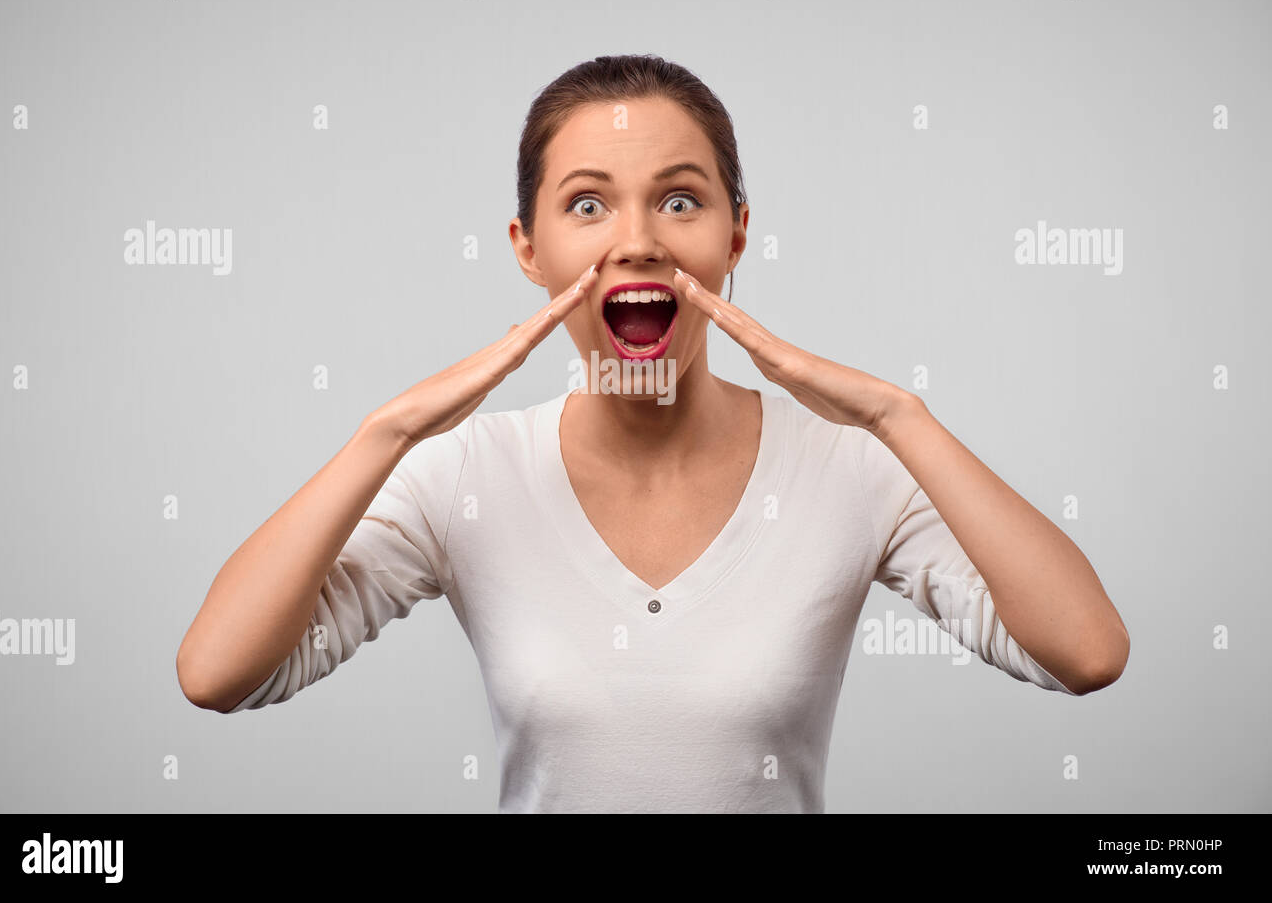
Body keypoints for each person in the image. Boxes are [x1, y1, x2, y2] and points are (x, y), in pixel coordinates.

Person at [176, 54, 1130, 813]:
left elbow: (1086, 651)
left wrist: (897, 415)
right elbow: (218, 672)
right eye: (587, 205)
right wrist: (383, 434)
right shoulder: (463, 474)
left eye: (680, 199)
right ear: (528, 248)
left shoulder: (852, 467)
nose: (637, 239)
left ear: (735, 235)